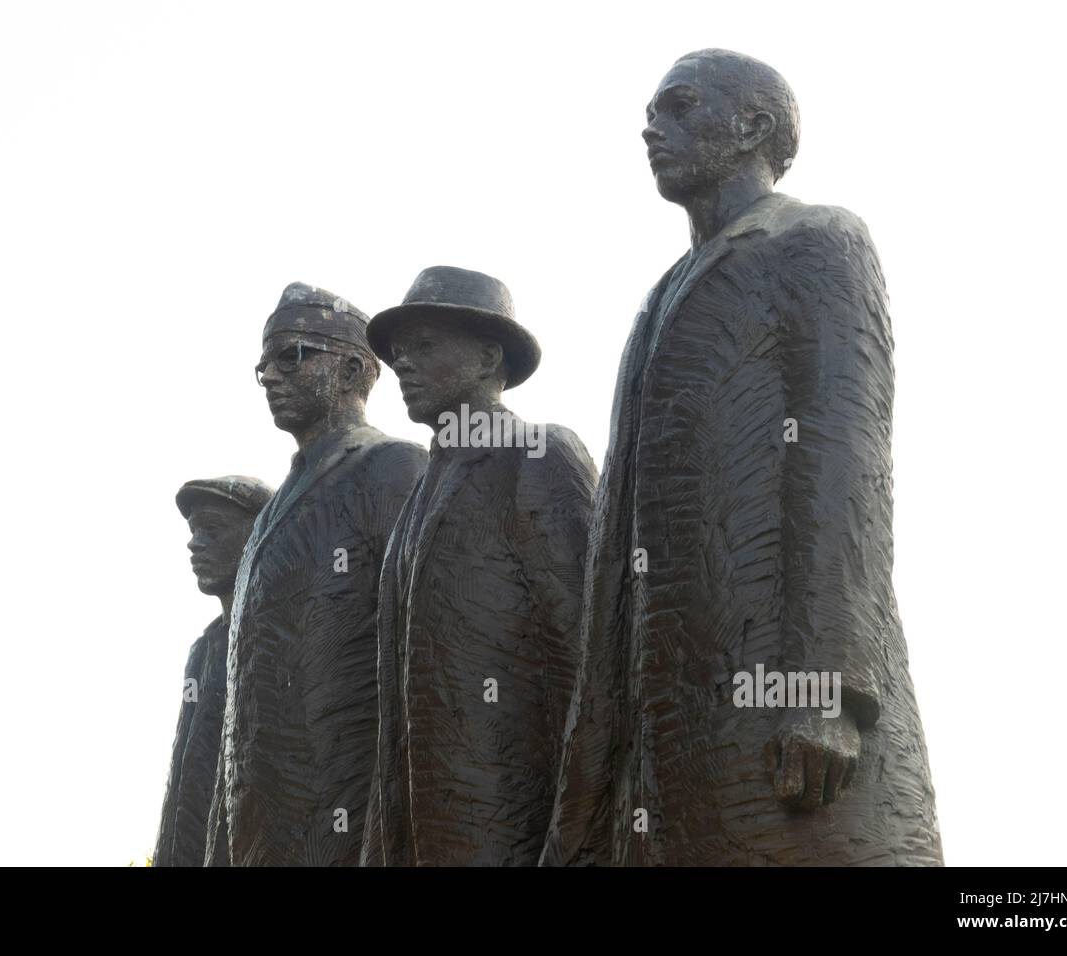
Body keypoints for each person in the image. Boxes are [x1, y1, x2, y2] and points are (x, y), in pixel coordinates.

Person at [543, 50, 943, 866]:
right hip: (673, 706)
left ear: (754, 126)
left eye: (681, 106)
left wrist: (826, 691)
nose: (652, 128)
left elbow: (843, 463)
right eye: (653, 112)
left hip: (778, 692)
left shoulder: (817, 241)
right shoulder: (659, 298)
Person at [361, 266, 596, 865]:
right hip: (416, 833)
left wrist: (576, 837)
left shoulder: (538, 456)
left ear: (490, 356)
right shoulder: (417, 497)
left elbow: (585, 661)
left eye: (425, 346)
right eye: (397, 354)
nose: (403, 366)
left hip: (514, 826)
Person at [206, 283, 427, 866]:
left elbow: (421, 650)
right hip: (263, 826)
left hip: (350, 816)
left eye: (291, 356)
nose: (272, 377)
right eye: (264, 367)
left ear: (354, 369)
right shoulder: (268, 517)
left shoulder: (392, 468)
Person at [154, 476, 272, 867]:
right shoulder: (202, 651)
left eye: (212, 529)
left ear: (258, 535)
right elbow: (183, 790)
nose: (194, 543)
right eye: (193, 531)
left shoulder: (278, 635)